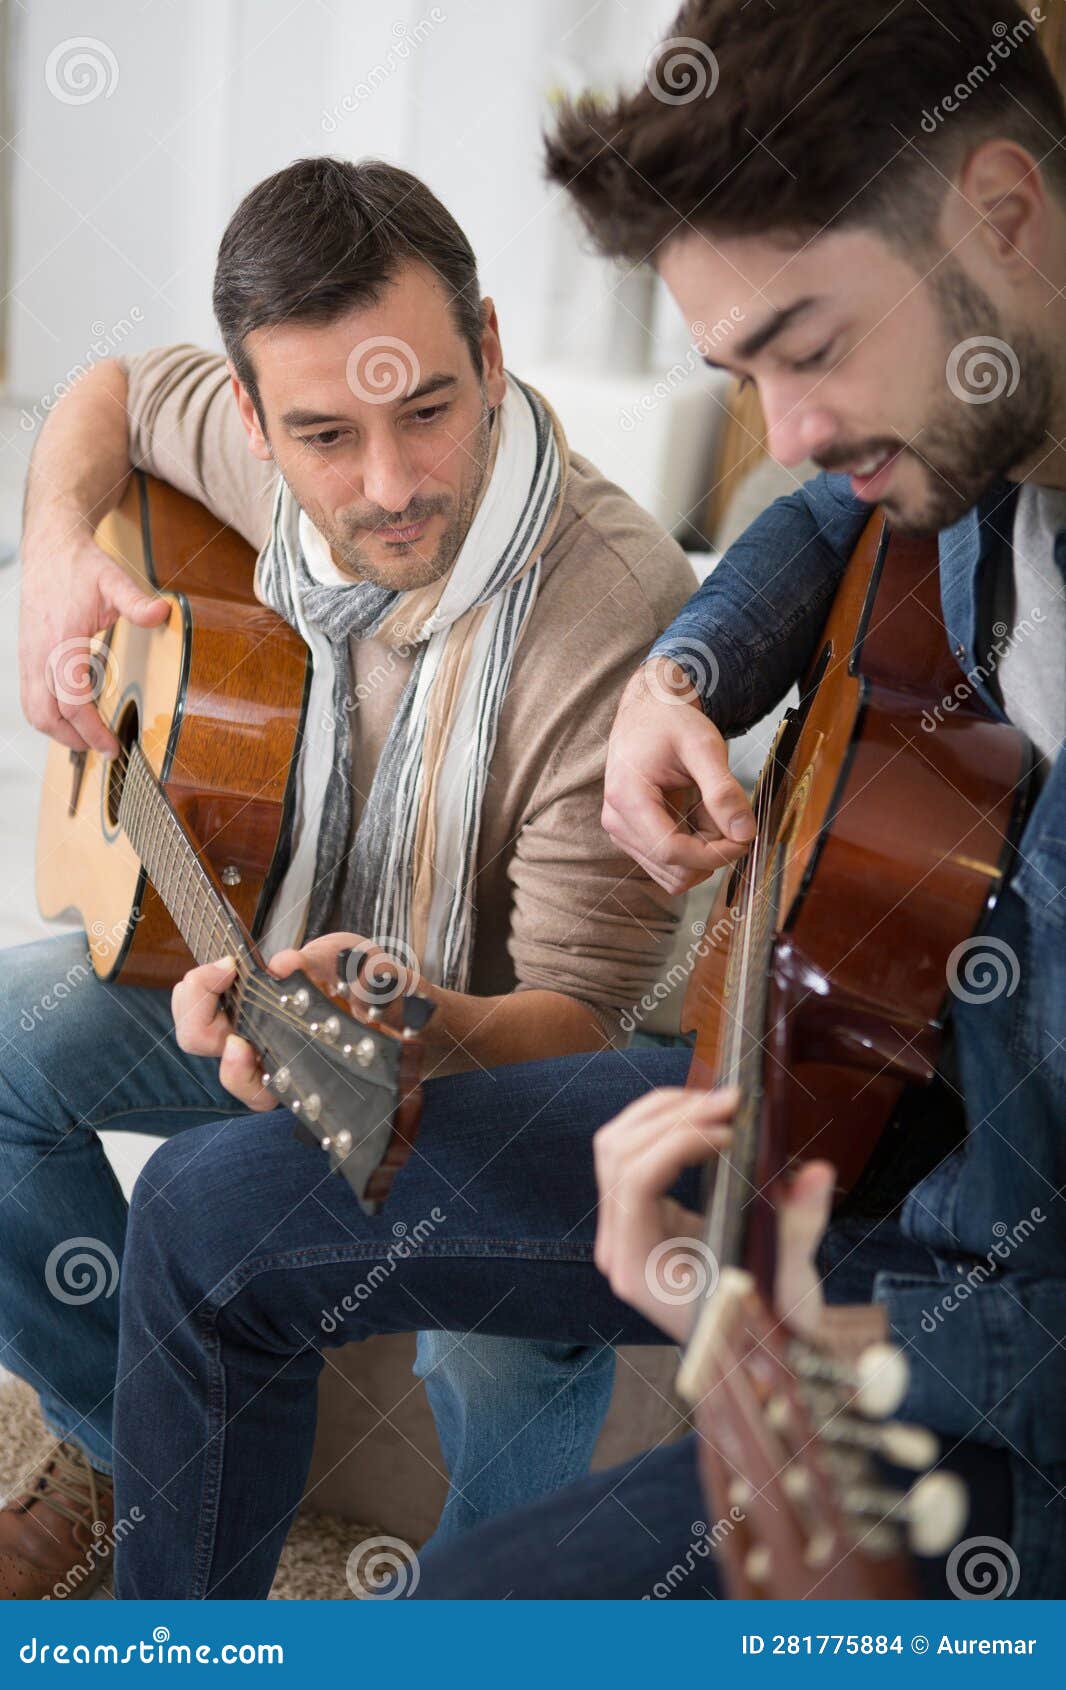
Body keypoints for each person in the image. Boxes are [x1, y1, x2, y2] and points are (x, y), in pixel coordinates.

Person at [107, 0, 1066, 1598]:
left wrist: (749, 1325)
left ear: (1004, 216)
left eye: (809, 348)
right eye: (740, 369)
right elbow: (824, 520)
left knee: (483, 1614)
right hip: (846, 1088)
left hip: (980, 1324)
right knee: (202, 1217)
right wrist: (683, 672)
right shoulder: (962, 431)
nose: (793, 433)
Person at [1, 155, 696, 1600]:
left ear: (489, 349)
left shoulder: (612, 612)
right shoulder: (244, 445)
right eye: (323, 434)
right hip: (260, 970)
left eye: (430, 410)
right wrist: (57, 552)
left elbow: (566, 1019)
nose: (388, 487)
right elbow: (112, 390)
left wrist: (387, 1020)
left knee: (503, 1330)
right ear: (253, 422)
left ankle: (478, 1607)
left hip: (494, 1040)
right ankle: (127, 1448)